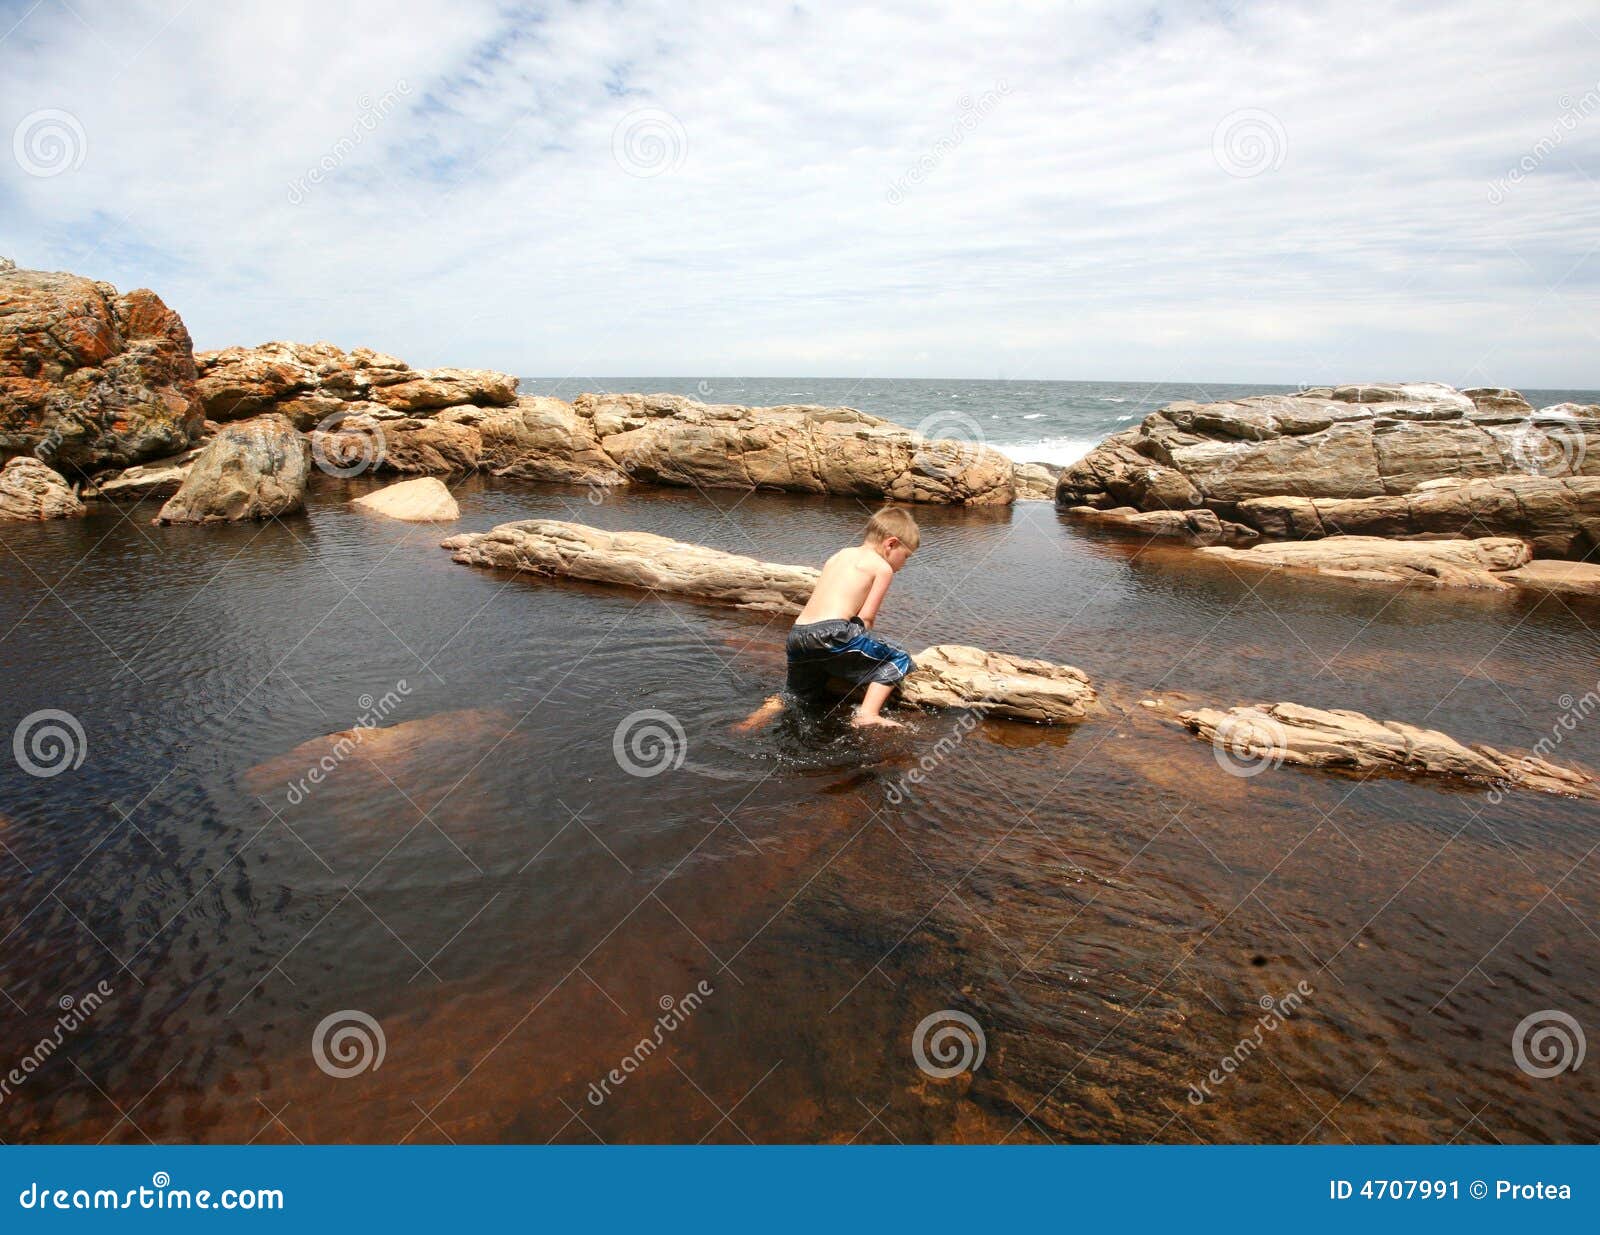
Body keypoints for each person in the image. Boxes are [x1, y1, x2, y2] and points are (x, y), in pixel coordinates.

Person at [738, 507, 920, 731]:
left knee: (796, 694)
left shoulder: (839, 555)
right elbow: (866, 618)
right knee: (899, 656)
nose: (904, 564)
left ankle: (751, 722)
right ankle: (867, 714)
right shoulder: (882, 567)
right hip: (832, 633)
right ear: (890, 544)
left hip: (798, 635)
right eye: (906, 556)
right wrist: (866, 651)